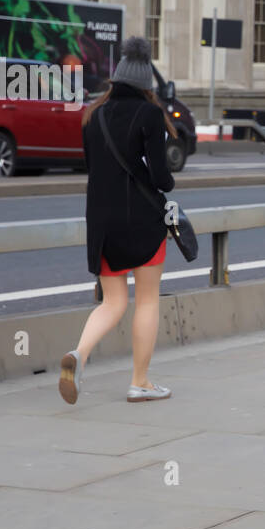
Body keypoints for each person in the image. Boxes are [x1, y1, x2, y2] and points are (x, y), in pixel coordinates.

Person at [59, 36, 178, 405]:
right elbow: (161, 179)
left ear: (117, 79)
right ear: (146, 84)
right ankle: (139, 382)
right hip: (142, 219)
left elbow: (94, 169)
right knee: (146, 300)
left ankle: (79, 354)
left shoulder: (93, 115)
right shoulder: (150, 114)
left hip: (102, 220)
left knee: (112, 301)